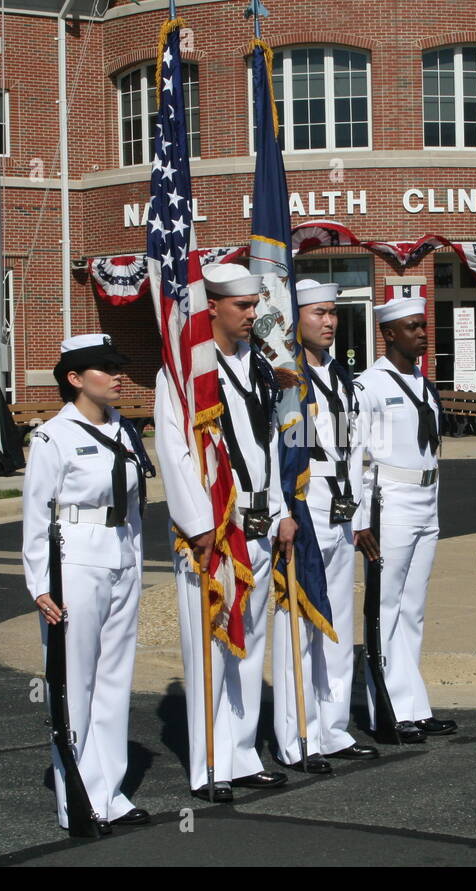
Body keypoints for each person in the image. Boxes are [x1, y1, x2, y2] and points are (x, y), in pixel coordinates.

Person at [155, 263, 298, 802]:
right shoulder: (186, 372)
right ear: (210, 304)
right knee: (211, 646)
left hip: (261, 526)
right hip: (216, 530)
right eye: (243, 306)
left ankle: (241, 754)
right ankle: (208, 765)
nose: (252, 316)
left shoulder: (256, 365)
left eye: (255, 305)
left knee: (250, 646)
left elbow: (266, 447)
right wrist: (198, 527)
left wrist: (282, 509)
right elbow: (172, 449)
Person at [21, 333, 153, 830]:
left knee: (115, 679)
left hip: (121, 555)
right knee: (74, 680)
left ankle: (110, 790)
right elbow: (36, 513)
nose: (117, 375)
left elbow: (135, 507)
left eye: (117, 366)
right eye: (105, 368)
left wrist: (136, 562)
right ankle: (76, 795)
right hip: (75, 560)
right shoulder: (54, 436)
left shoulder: (125, 429)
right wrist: (39, 584)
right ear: (75, 379)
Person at [271, 279, 378, 770]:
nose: (330, 322)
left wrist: (359, 516)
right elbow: (278, 452)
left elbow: (356, 451)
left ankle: (332, 728)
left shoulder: (341, 377)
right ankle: (297, 736)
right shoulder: (286, 378)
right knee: (301, 618)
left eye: (333, 313)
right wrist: (284, 512)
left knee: (335, 622)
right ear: (297, 320)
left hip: (340, 509)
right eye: (318, 313)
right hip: (305, 505)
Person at [351, 297, 458, 743]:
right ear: (389, 333)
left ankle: (414, 704)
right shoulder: (368, 385)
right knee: (385, 606)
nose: (422, 333)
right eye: (412, 327)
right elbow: (355, 452)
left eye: (423, 326)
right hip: (388, 500)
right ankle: (387, 713)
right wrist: (360, 518)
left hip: (426, 497)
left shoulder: (423, 384)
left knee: (412, 609)